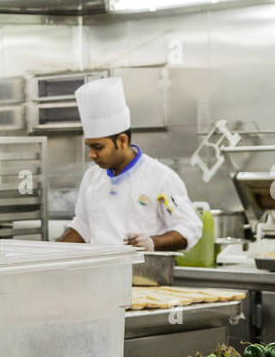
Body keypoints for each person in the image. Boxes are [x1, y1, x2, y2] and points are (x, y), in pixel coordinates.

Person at [57, 77, 202, 252]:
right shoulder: (92, 177)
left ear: (122, 141)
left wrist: (152, 243)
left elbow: (189, 228)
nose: (92, 155)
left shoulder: (160, 178)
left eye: (98, 147)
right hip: (100, 274)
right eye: (89, 147)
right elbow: (83, 226)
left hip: (144, 276)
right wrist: (48, 253)